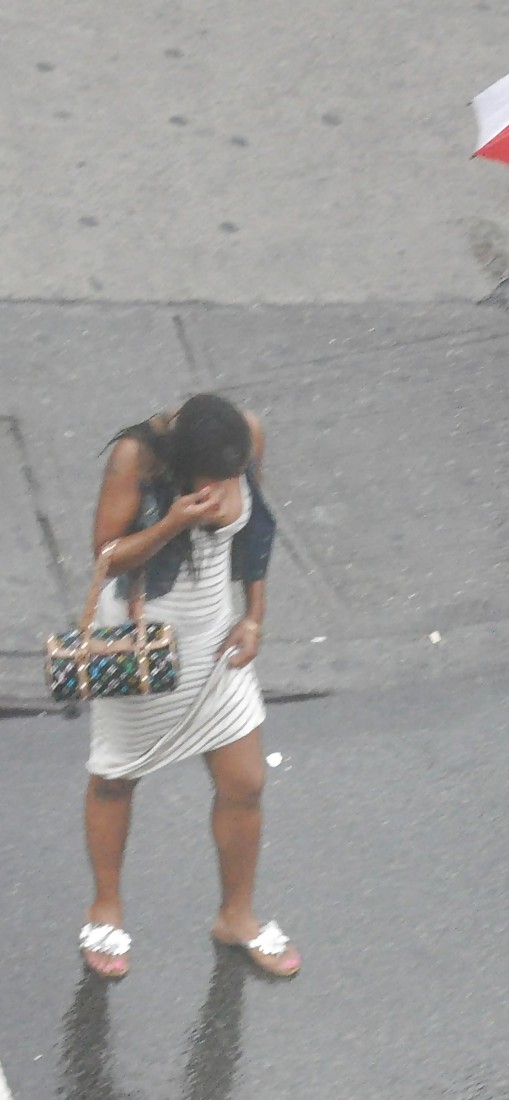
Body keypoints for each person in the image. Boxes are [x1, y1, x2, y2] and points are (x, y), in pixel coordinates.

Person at [78, 393, 301, 978]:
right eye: (214, 477)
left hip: (212, 640)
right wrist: (173, 521)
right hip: (140, 641)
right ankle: (106, 908)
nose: (229, 483)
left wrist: (253, 617)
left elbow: (257, 536)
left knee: (246, 782)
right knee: (116, 779)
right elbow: (106, 557)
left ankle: (236, 915)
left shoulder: (242, 437)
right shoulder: (137, 459)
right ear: (181, 460)